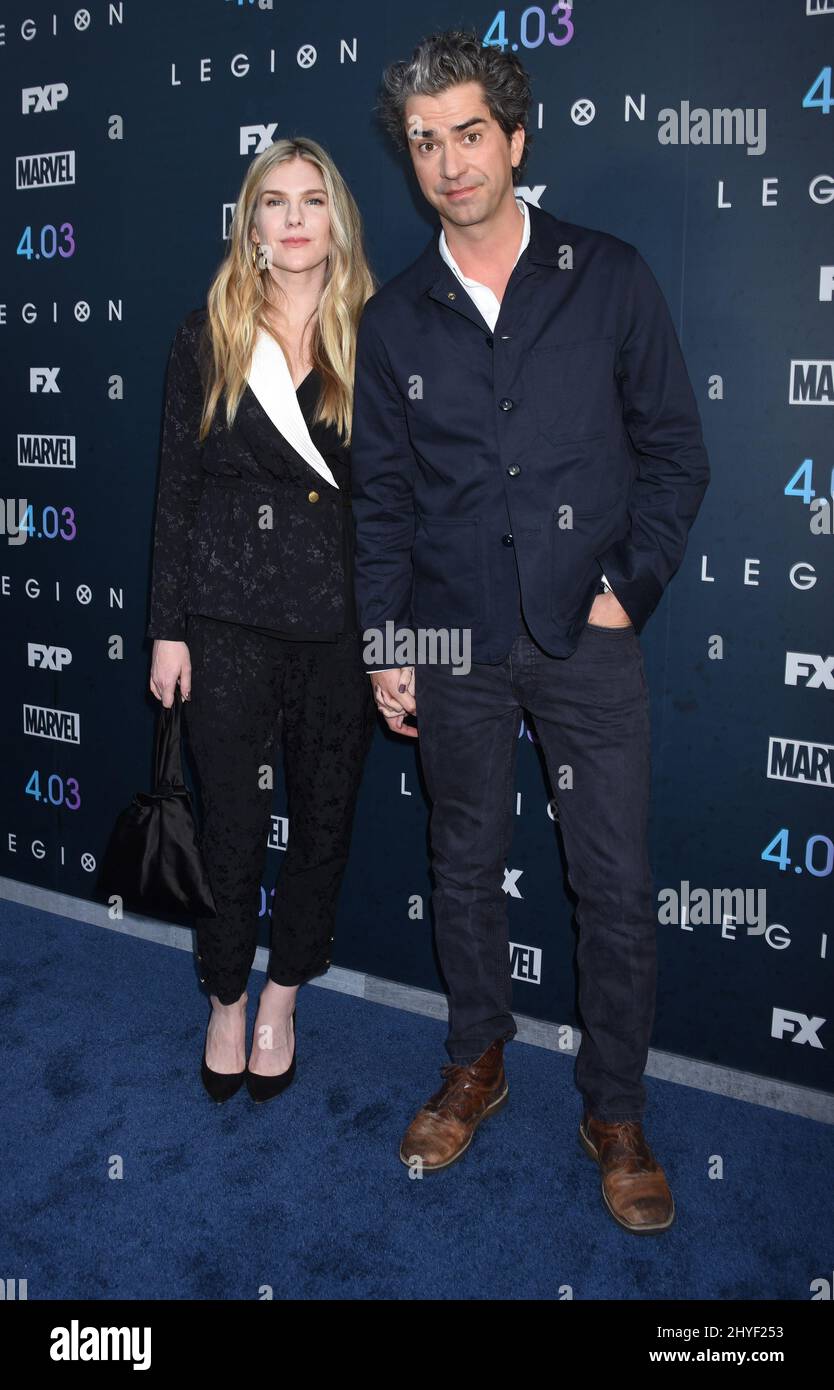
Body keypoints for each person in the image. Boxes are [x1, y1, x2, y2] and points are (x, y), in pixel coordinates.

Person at [350, 30, 710, 1232]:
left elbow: (674, 454)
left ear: (515, 138)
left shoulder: (607, 276)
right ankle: (477, 1064)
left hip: (587, 631)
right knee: (462, 866)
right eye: (423, 142)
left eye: (467, 134)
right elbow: (384, 501)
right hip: (450, 638)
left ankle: (615, 1108)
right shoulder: (395, 316)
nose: (448, 163)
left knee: (611, 879)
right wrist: (386, 642)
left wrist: (628, 587)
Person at [146, 137, 377, 1104]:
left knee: (323, 824)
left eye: (311, 201)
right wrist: (169, 626)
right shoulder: (209, 332)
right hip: (228, 618)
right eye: (273, 201)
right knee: (234, 825)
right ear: (251, 223)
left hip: (342, 626)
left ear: (336, 220)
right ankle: (227, 997)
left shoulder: (381, 330)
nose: (292, 218)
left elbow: (400, 502)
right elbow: (177, 490)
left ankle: (284, 993)